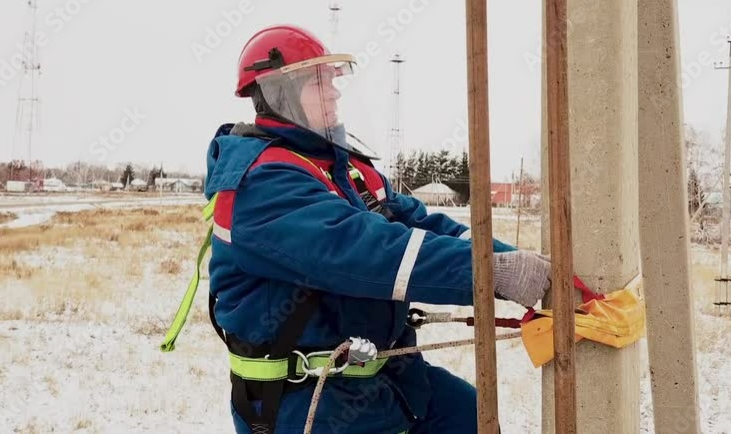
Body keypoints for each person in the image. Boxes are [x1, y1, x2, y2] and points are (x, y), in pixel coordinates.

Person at [202, 24, 551, 433]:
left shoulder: (344, 168)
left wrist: (512, 262)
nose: (334, 93)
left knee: (467, 414)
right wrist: (491, 274)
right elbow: (368, 253)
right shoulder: (261, 183)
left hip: (384, 376)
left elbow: (422, 225)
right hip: (305, 399)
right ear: (279, 92)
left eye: (334, 81)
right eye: (319, 83)